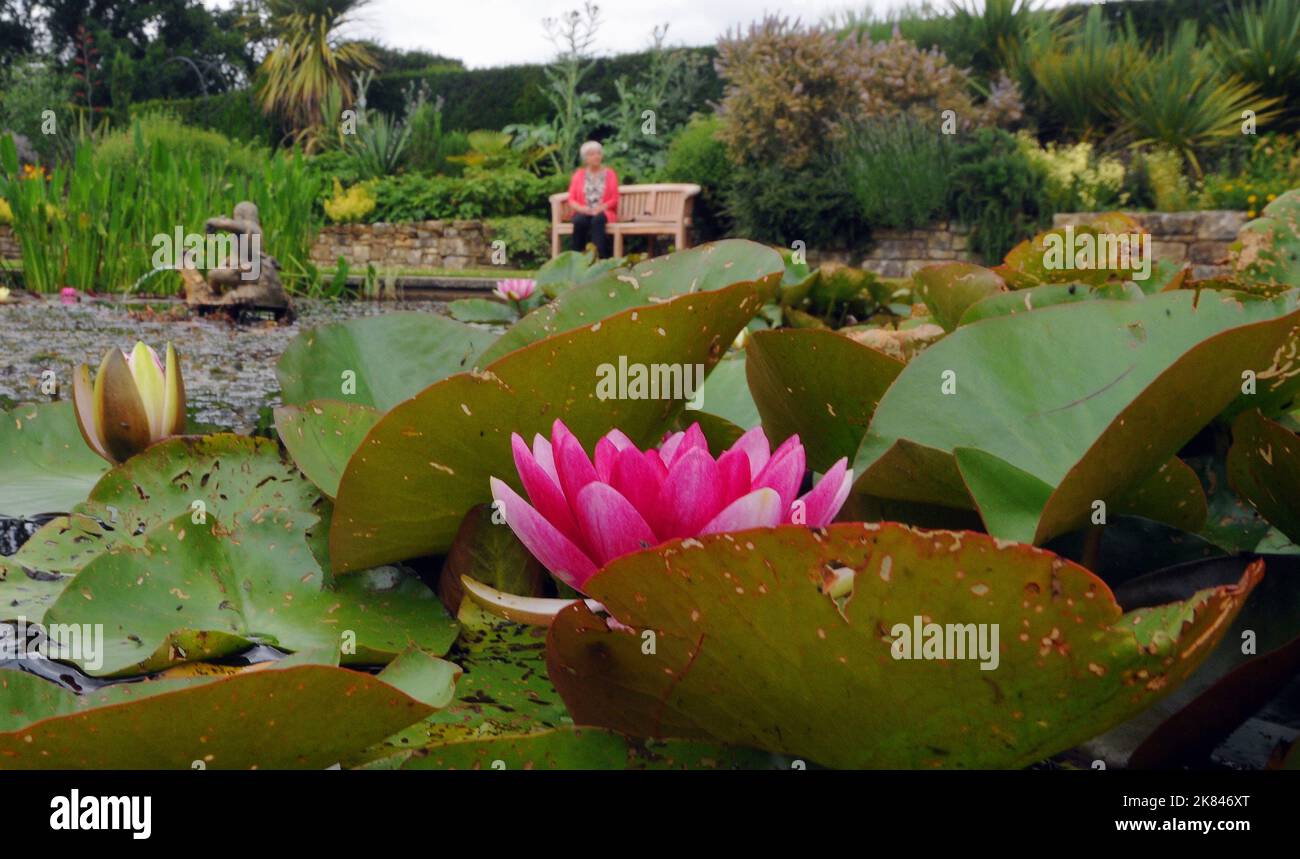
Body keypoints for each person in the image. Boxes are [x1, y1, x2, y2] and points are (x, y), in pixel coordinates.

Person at [567, 140, 618, 258]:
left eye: (598, 153)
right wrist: (582, 209)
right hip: (584, 211)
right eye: (592, 154)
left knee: (597, 220)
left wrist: (601, 208)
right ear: (585, 158)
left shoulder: (610, 174)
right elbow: (571, 199)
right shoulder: (578, 175)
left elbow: (614, 199)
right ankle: (576, 258)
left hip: (603, 212)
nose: (596, 156)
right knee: (579, 220)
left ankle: (600, 258)